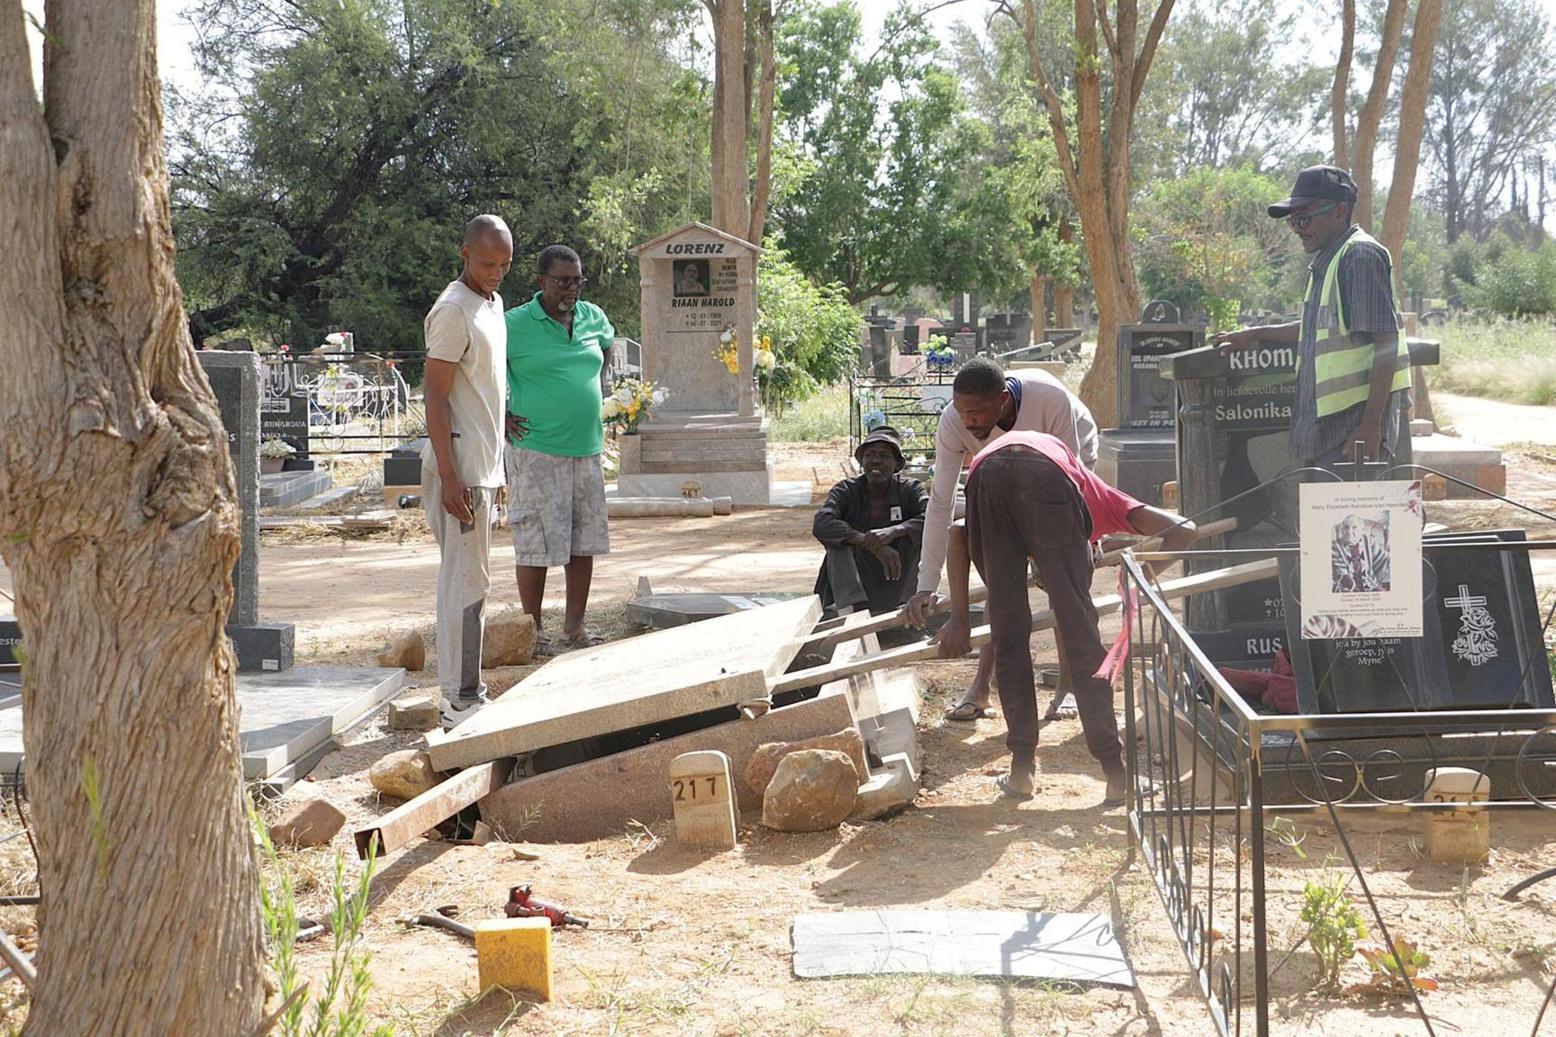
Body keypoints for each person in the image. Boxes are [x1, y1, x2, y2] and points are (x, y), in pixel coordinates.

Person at [933, 431, 1197, 804]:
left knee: (1009, 635)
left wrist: (960, 617)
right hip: (1041, 472)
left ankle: (1021, 773)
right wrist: (1138, 584)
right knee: (1082, 639)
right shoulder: (1099, 497)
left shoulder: (1082, 504)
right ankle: (1116, 776)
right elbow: (1184, 530)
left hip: (986, 474)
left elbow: (958, 532)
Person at [901, 356, 1098, 721]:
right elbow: (941, 502)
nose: (969, 421)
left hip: (1065, 465)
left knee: (1059, 577)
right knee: (1000, 574)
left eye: (978, 412)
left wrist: (1079, 543)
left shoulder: (1049, 400)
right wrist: (926, 584)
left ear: (1003, 399)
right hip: (999, 471)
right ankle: (981, 686)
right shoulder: (955, 421)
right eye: (963, 412)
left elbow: (1073, 483)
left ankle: (1067, 685)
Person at [1213, 165, 1411, 469]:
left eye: (1305, 219)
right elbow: (1315, 328)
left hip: (1353, 434)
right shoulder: (1330, 260)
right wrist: (1256, 333)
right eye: (1293, 221)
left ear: (1340, 211)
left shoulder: (1359, 257)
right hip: (1326, 433)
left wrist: (1371, 424)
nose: (1298, 229)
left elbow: (1386, 341)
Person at [423, 214, 513, 728]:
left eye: (503, 265)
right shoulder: (453, 310)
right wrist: (451, 476)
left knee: (476, 581)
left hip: (483, 468)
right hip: (460, 470)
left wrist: (499, 470)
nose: (496, 273)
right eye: (486, 264)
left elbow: (486, 392)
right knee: (463, 583)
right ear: (464, 254)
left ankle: (468, 691)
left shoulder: (491, 303)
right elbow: (434, 396)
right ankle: (458, 700)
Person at [505, 245, 615, 653]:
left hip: (586, 447)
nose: (571, 289)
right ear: (541, 281)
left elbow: (606, 347)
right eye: (562, 281)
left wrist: (592, 388)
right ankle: (531, 632)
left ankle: (575, 627)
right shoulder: (514, 324)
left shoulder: (592, 316)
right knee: (535, 541)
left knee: (583, 541)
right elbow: (480, 369)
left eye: (577, 281)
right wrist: (500, 413)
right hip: (536, 448)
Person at [811, 426, 929, 617]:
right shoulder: (846, 490)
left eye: (884, 455)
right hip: (858, 578)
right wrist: (870, 543)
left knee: (923, 537)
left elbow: (933, 519)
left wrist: (895, 531)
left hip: (897, 575)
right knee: (837, 542)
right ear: (862, 461)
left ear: (897, 464)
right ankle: (848, 611)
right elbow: (822, 523)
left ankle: (910, 607)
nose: (876, 460)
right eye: (870, 454)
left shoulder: (911, 489)